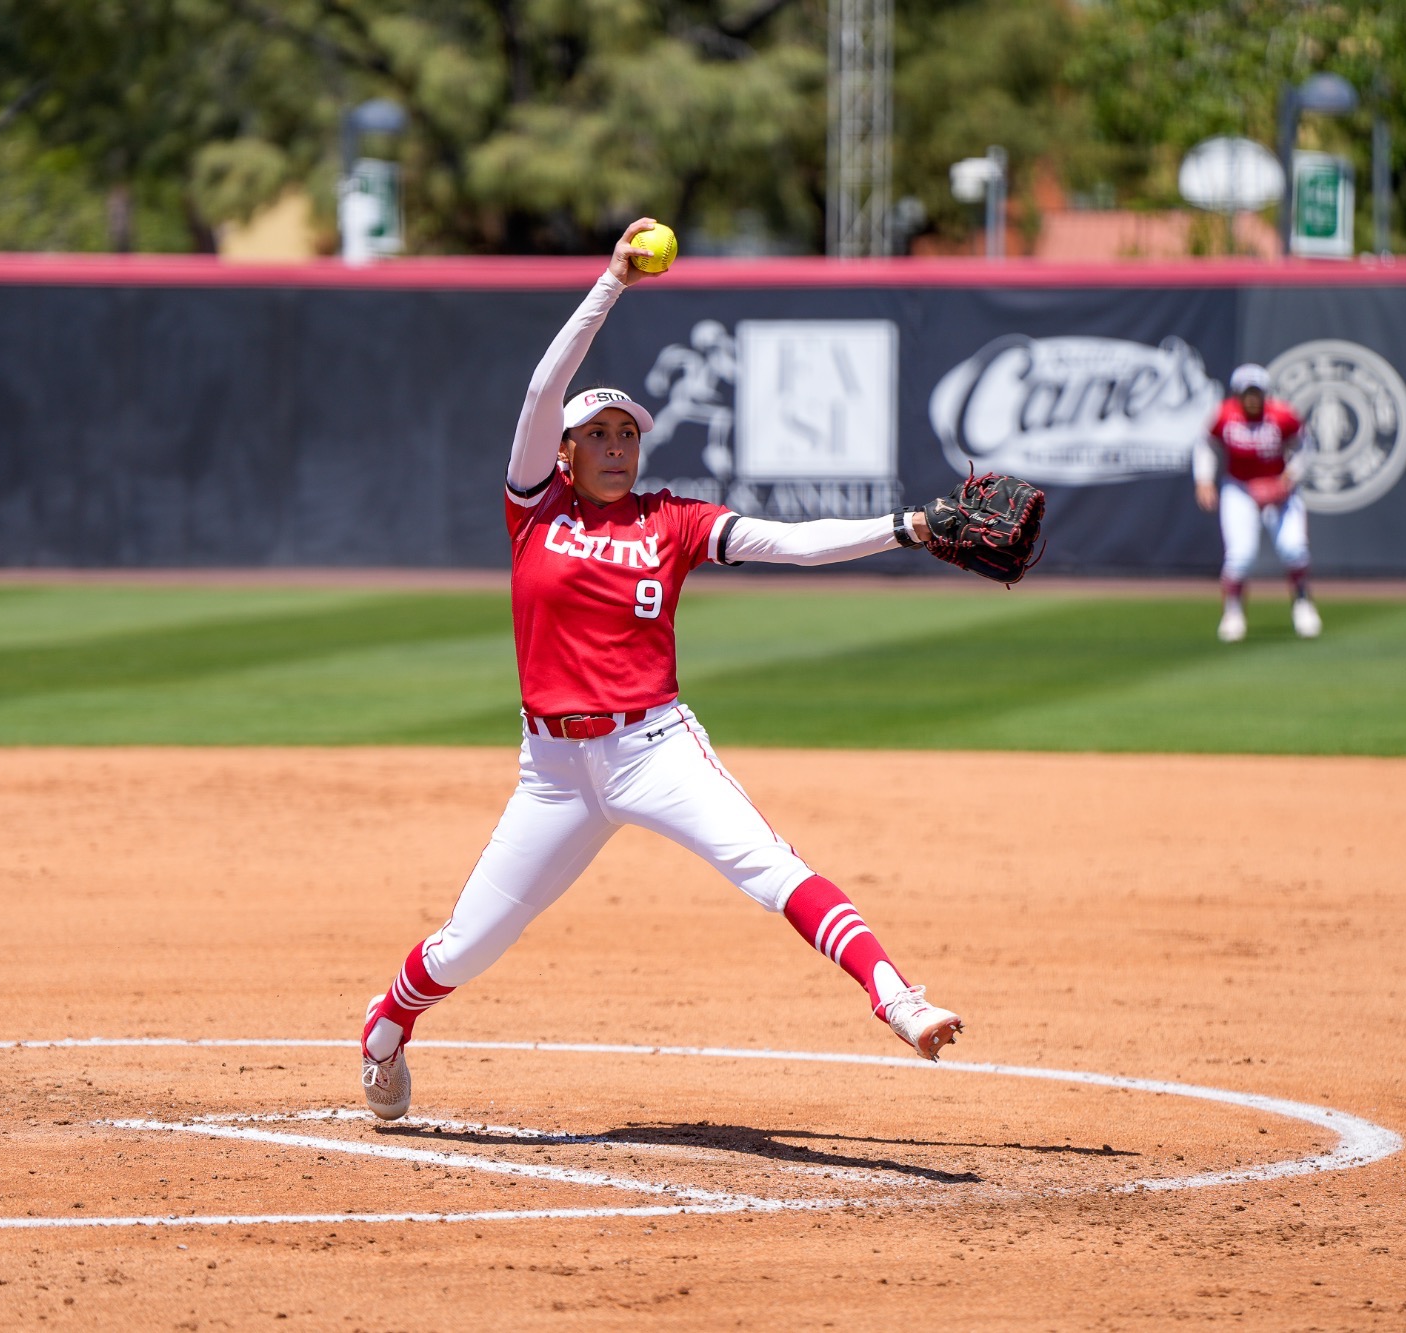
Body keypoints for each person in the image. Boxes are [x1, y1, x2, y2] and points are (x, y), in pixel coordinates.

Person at [358, 218, 968, 1121]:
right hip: (554, 771)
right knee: (468, 947)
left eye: (626, 435)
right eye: (596, 434)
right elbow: (539, 388)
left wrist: (907, 527)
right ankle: (385, 1027)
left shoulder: (670, 520)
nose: (614, 446)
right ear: (565, 451)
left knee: (770, 866)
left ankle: (897, 996)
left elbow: (790, 543)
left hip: (655, 748)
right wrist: (612, 281)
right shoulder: (533, 511)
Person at [1194, 363, 1321, 643]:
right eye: (1246, 392)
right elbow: (1206, 444)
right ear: (1237, 393)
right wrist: (1204, 479)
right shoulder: (1224, 415)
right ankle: (1233, 612)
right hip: (1240, 487)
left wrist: (1288, 479)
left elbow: (1305, 447)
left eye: (1257, 392)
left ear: (1265, 393)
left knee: (1294, 548)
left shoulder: (1282, 415)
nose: (1252, 398)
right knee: (1240, 556)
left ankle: (1302, 603)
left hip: (1278, 487)